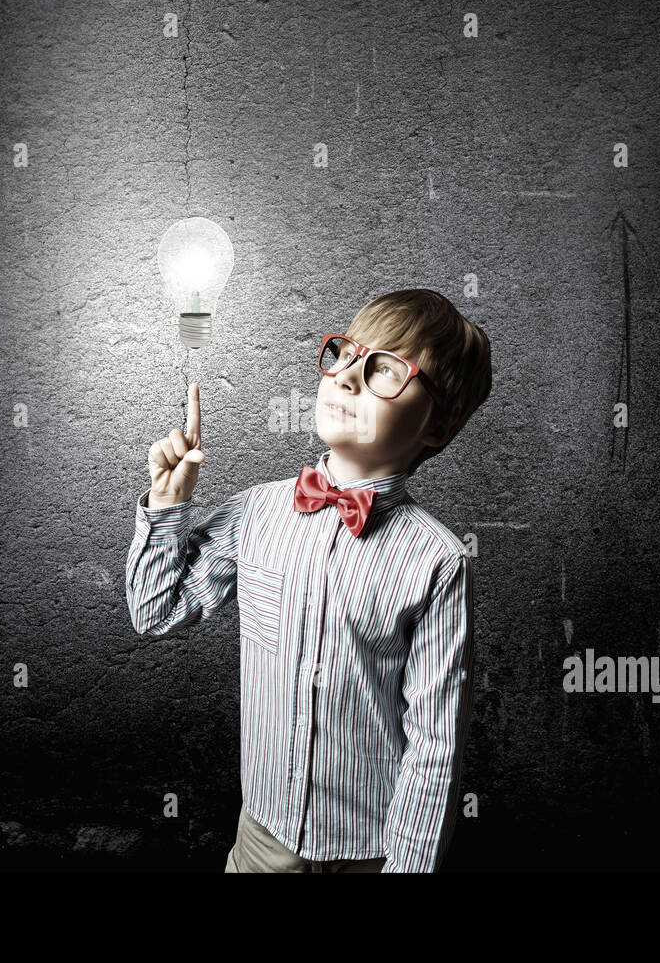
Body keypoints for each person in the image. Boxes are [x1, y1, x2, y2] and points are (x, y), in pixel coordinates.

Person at [125, 288, 493, 872]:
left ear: (436, 428)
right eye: (345, 354)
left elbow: (434, 743)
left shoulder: (438, 560)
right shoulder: (256, 513)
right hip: (261, 840)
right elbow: (155, 612)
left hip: (372, 851)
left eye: (384, 370)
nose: (347, 377)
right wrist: (168, 507)